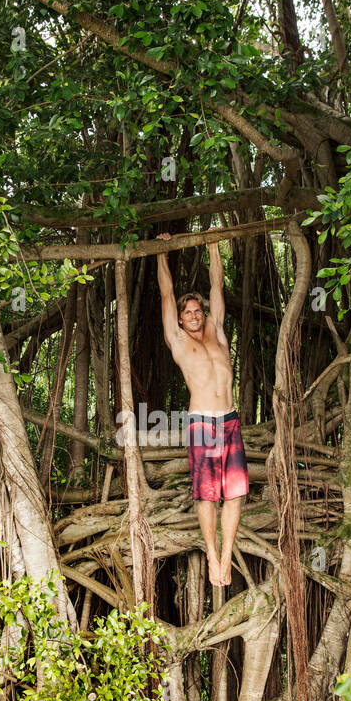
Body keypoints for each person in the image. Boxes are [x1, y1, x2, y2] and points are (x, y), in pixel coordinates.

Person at [157, 242, 249, 586]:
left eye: (198, 311)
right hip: (203, 424)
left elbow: (217, 286)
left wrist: (214, 247)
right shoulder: (178, 340)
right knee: (208, 494)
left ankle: (226, 556)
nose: (194, 315)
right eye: (188, 313)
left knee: (236, 493)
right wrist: (161, 254)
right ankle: (211, 554)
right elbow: (167, 293)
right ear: (180, 319)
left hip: (229, 419)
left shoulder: (217, 331)